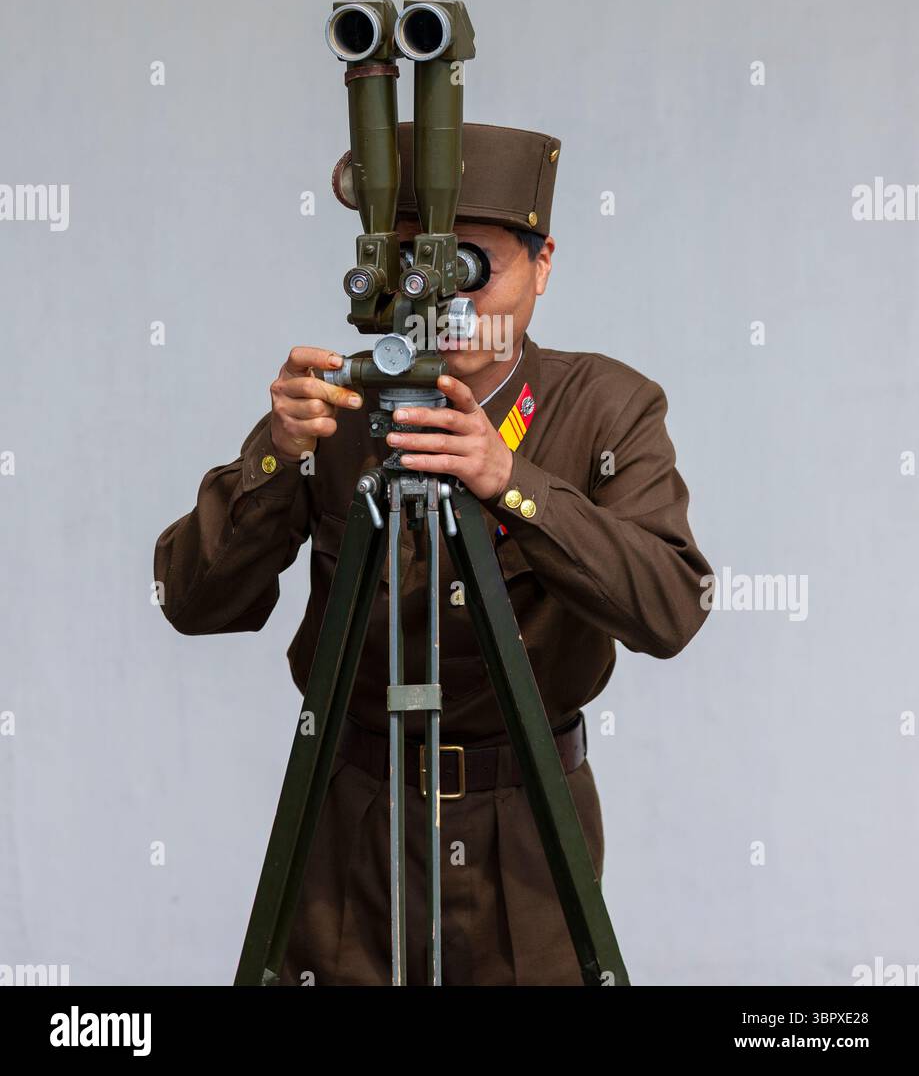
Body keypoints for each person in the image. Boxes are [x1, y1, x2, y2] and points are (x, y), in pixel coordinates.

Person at [153, 121, 714, 985]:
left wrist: (512, 481)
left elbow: (671, 609)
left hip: (525, 830)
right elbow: (194, 602)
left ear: (543, 263)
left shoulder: (606, 406)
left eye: (469, 268)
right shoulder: (338, 406)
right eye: (413, 263)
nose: (440, 298)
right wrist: (274, 453)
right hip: (349, 825)